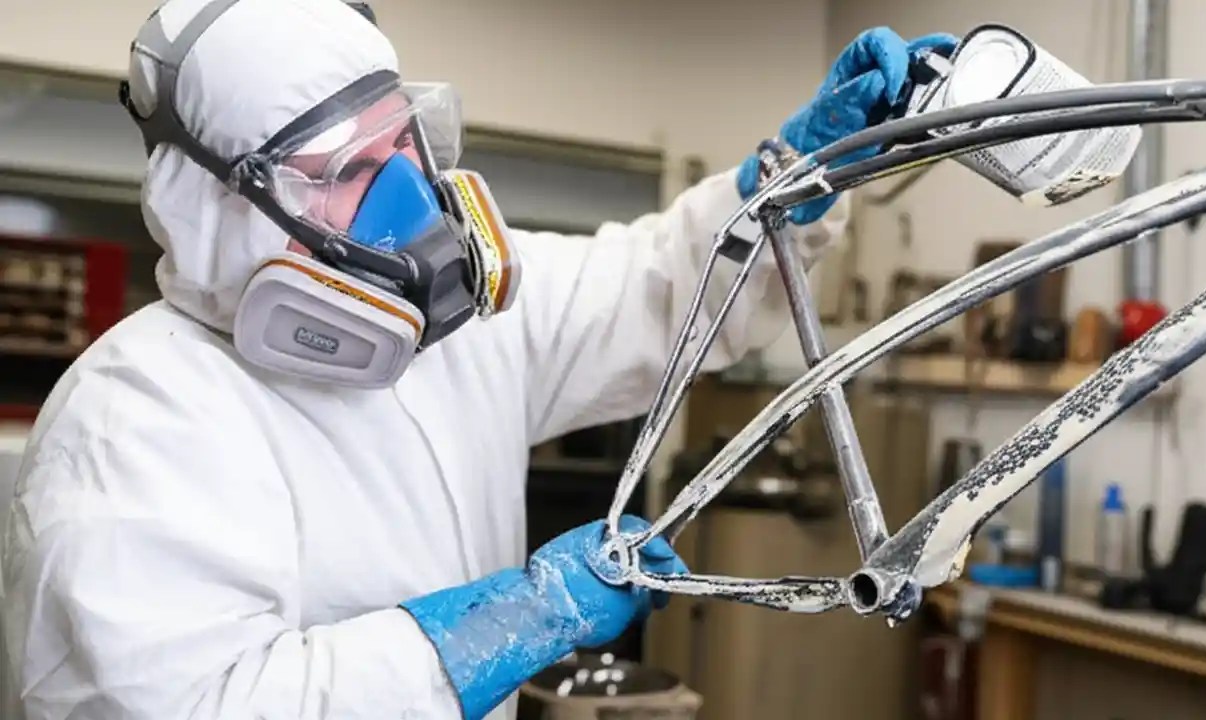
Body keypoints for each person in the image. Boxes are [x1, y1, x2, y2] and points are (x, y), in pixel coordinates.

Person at [0, 0, 955, 718]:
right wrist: (507, 621)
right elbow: (184, 707)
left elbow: (657, 291)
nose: (412, 203)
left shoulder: (446, 331)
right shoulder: (133, 417)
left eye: (405, 142)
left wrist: (796, 178)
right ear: (225, 213)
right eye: (349, 172)